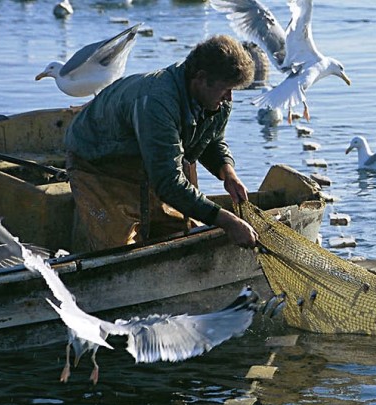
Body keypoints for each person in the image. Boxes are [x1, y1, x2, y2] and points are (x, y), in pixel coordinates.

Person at [64, 34, 259, 251]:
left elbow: (212, 139)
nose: (229, 98)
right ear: (201, 78)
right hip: (99, 160)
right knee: (119, 247)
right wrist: (227, 221)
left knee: (179, 233)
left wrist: (227, 172)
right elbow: (167, 181)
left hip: (150, 160)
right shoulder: (157, 102)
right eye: (225, 90)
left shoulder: (217, 101)